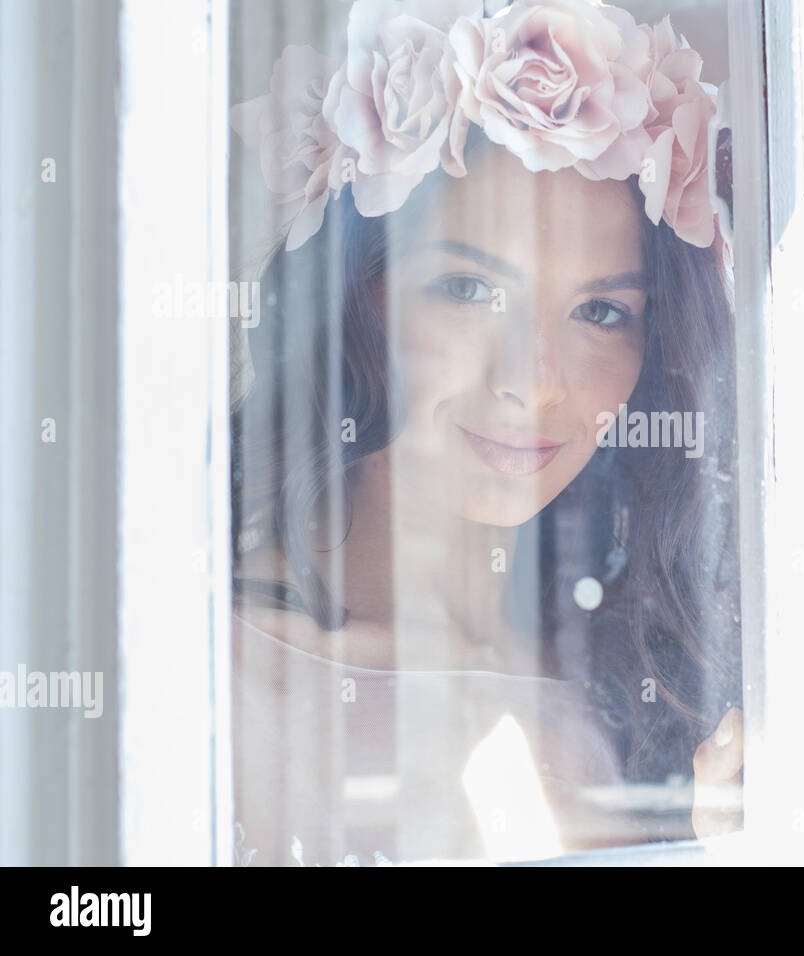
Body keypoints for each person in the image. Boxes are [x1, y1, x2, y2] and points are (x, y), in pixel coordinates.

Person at [228, 0, 744, 864]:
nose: (534, 383)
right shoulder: (210, 676)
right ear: (358, 298)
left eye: (601, 311)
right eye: (468, 290)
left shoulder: (654, 686)